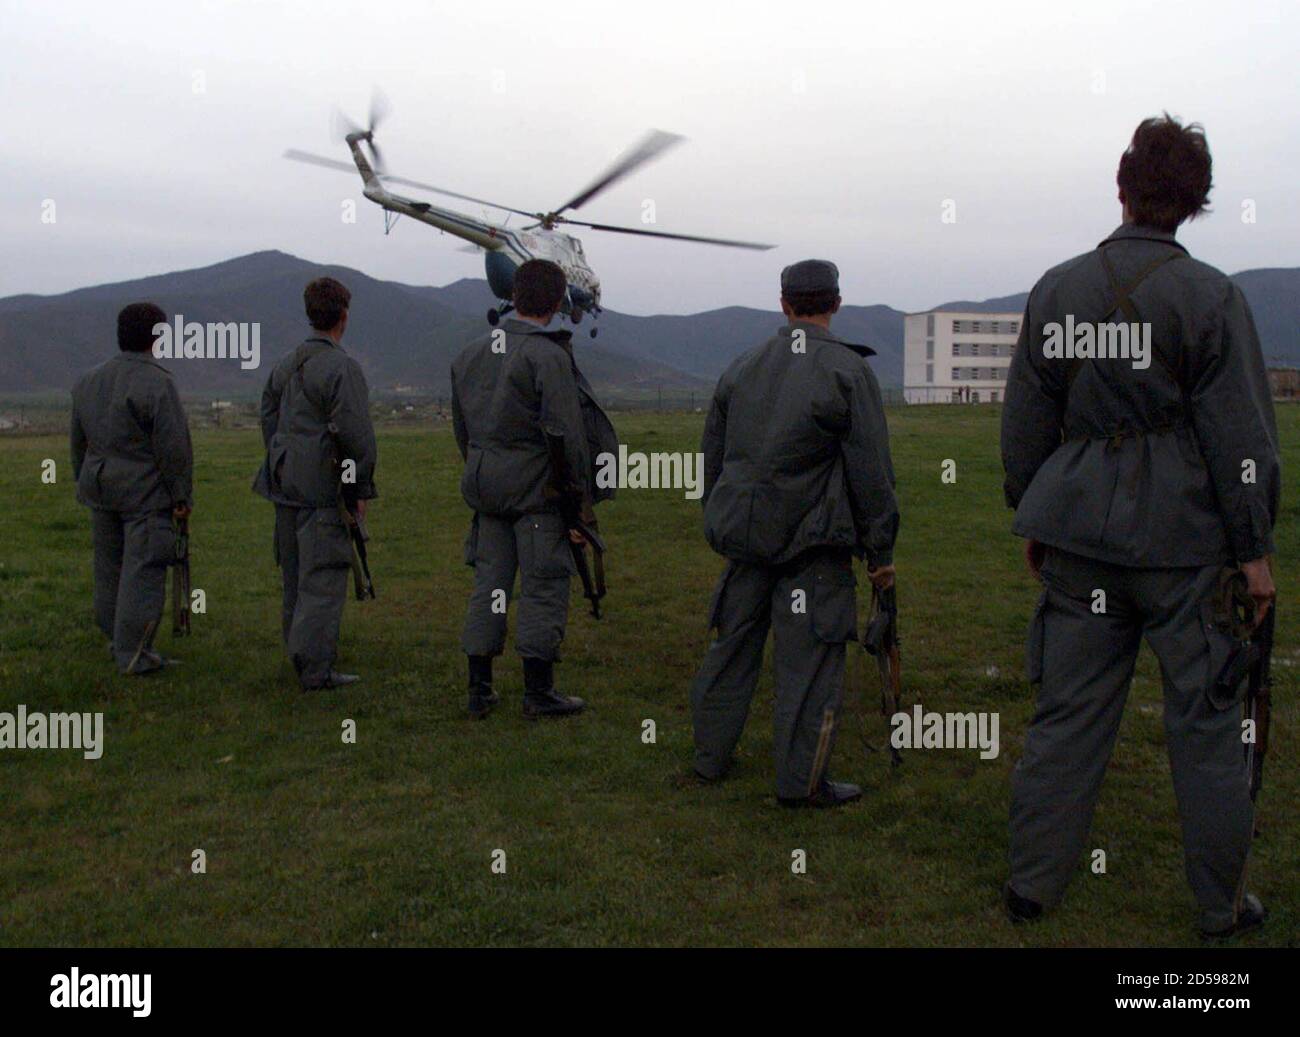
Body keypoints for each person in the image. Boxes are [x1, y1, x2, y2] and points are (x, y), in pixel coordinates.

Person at [1001, 114, 1280, 938]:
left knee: (1068, 716)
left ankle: (1031, 886)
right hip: (1186, 548)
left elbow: (1024, 420)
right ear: (1195, 203)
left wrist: (1035, 509)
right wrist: (1254, 548)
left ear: (1120, 186)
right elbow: (1240, 439)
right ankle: (1218, 906)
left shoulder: (1058, 289)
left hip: (1080, 537)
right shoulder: (1212, 297)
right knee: (1206, 725)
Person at [689, 260, 899, 807]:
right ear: (836, 302)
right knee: (808, 666)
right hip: (813, 546)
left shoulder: (741, 367)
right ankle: (801, 783)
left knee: (730, 650)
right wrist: (881, 552)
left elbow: (713, 458)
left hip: (745, 542)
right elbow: (871, 472)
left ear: (783, 303)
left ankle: (709, 758)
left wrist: (723, 515)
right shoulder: (848, 372)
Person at [451, 259, 614, 720]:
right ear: (558, 300)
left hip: (487, 488)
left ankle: (479, 689)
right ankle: (538, 691)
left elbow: (464, 432)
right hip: (537, 493)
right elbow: (566, 435)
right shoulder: (549, 356)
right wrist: (578, 502)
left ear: (515, 295)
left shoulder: (470, 354)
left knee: (490, 585)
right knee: (544, 583)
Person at [253, 277, 377, 691]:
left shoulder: (285, 363)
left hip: (284, 484)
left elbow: (268, 418)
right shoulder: (342, 367)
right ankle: (315, 669)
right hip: (322, 489)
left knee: (294, 575)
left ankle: (299, 652)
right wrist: (356, 490)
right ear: (343, 316)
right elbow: (355, 436)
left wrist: (284, 459)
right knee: (323, 577)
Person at [71, 302, 193, 675]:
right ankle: (134, 653)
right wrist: (181, 495)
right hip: (144, 492)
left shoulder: (88, 380)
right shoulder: (158, 381)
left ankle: (117, 640)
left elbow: (78, 441)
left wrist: (85, 479)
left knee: (109, 568)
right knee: (144, 569)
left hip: (100, 486)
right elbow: (173, 447)